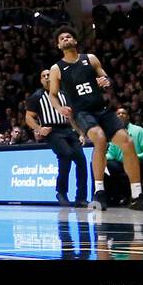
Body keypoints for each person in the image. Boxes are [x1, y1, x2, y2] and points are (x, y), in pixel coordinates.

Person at [47, 30, 143, 211]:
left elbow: (105, 77)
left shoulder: (90, 58)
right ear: (59, 46)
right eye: (61, 38)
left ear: (74, 40)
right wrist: (59, 108)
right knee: (99, 138)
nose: (65, 39)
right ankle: (99, 192)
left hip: (102, 109)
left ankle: (137, 195)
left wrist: (105, 81)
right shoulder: (56, 68)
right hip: (82, 112)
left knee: (128, 143)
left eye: (68, 36)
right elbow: (52, 94)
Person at [25, 67, 86, 205]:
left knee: (81, 160)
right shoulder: (37, 96)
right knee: (66, 153)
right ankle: (61, 192)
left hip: (68, 130)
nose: (47, 77)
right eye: (44, 76)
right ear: (41, 80)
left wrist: (81, 133)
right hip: (52, 131)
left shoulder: (64, 94)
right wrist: (39, 129)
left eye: (49, 75)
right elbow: (28, 117)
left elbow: (71, 117)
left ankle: (81, 197)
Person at [104, 107, 143, 205]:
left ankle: (140, 196)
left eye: (123, 113)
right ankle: (111, 198)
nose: (121, 115)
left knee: (142, 164)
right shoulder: (114, 133)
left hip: (136, 162)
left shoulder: (138, 130)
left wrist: (137, 156)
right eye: (118, 114)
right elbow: (111, 153)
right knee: (106, 165)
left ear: (128, 117)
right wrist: (103, 158)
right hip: (121, 164)